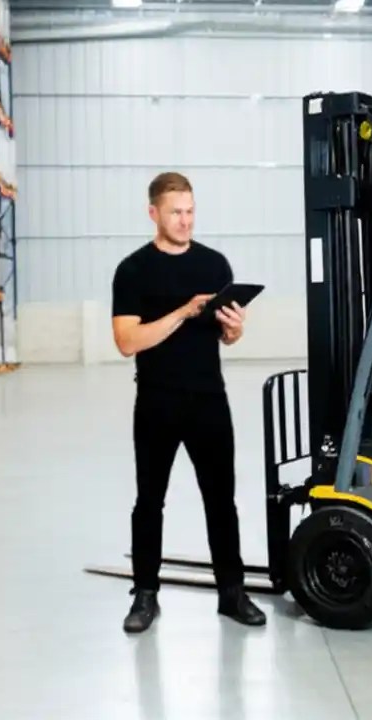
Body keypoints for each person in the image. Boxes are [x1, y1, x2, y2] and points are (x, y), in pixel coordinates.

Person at [110, 171, 266, 633]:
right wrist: (182, 310)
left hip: (209, 400)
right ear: (153, 213)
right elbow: (126, 341)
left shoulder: (215, 265)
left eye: (191, 211)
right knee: (149, 501)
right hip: (157, 400)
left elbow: (227, 336)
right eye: (176, 212)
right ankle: (145, 594)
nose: (185, 220)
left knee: (222, 501)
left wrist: (234, 330)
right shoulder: (133, 270)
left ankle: (232, 593)